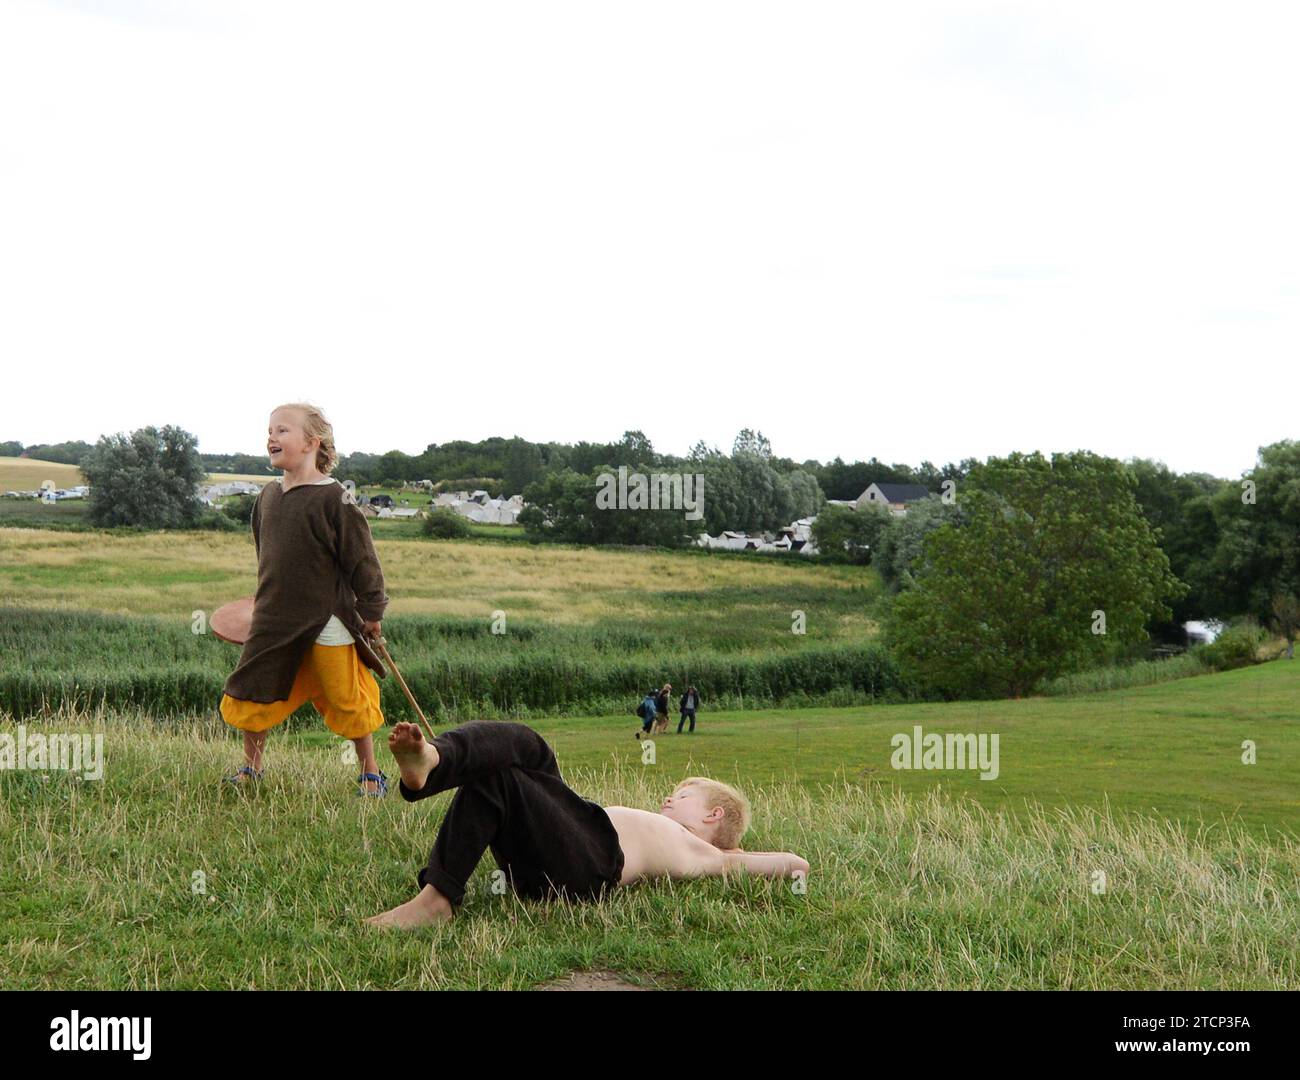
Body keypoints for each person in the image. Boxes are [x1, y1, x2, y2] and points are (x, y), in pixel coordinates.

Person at [365, 720, 810, 928]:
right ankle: (435, 761)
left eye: (683, 795)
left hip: (592, 860)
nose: (668, 797)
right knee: (522, 752)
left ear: (713, 815)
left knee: (508, 768)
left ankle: (436, 899)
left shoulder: (702, 853)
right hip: (570, 846)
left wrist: (751, 856)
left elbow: (790, 863)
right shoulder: (683, 842)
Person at [218, 402, 391, 796]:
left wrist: (371, 610)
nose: (271, 438)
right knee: (252, 688)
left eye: (282, 431)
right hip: (274, 619)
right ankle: (251, 768)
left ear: (312, 442)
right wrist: (260, 605)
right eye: (269, 431)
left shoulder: (336, 499)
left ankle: (370, 774)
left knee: (346, 696)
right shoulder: (267, 497)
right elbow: (266, 556)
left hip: (326, 619)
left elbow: (362, 558)